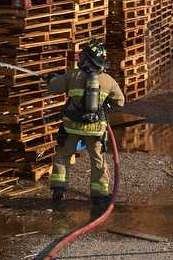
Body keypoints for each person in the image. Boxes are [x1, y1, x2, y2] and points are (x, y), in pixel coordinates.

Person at [47, 40, 125, 213]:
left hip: (71, 127)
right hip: (96, 129)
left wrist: (51, 78)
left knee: (63, 156)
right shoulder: (108, 80)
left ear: (86, 59)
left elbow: (53, 88)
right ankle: (99, 195)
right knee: (98, 159)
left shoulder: (72, 75)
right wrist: (106, 103)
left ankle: (59, 188)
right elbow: (120, 101)